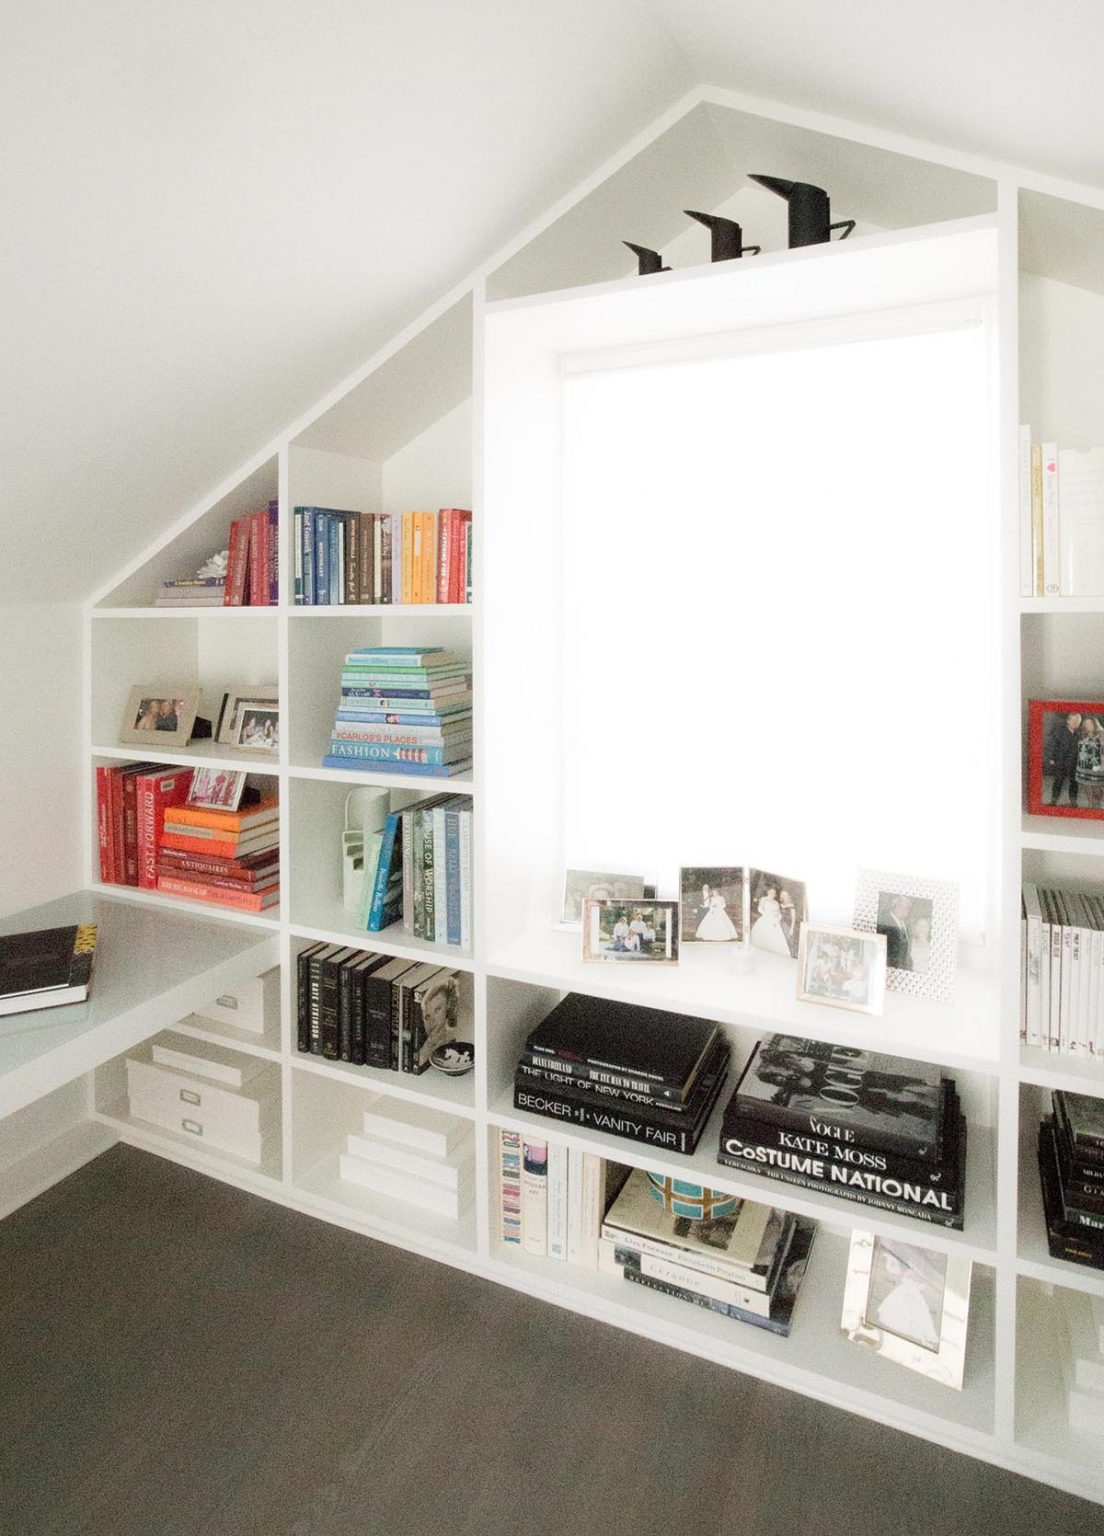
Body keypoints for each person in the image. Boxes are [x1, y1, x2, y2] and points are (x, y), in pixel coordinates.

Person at [1045, 711, 1083, 806]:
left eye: (1078, 721)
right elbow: (1052, 745)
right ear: (1068, 721)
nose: (1076, 723)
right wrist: (1051, 758)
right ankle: (1053, 801)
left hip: (1074, 762)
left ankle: (1073, 801)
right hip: (1060, 761)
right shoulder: (1059, 731)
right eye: (1074, 720)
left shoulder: (1080, 733)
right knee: (1058, 781)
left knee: (1074, 782)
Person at [750, 883, 790, 955]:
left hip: (774, 920)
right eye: (771, 892)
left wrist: (777, 918)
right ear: (768, 892)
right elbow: (760, 908)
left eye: (774, 893)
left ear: (775, 894)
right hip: (765, 918)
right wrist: (767, 913)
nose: (772, 894)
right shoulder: (763, 899)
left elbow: (778, 913)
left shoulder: (776, 902)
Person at [880, 894, 914, 970]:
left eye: (907, 908)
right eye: (900, 906)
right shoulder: (884, 920)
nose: (903, 910)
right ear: (894, 906)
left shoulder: (904, 925)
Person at [1076, 715, 1104, 808]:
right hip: (1083, 765)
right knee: (1086, 785)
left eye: (1089, 724)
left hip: (1097, 765)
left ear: (1095, 723)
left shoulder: (1101, 733)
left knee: (1096, 787)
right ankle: (1090, 803)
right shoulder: (1083, 733)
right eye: (1086, 724)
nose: (1088, 726)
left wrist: (1103, 765)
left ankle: (1099, 800)